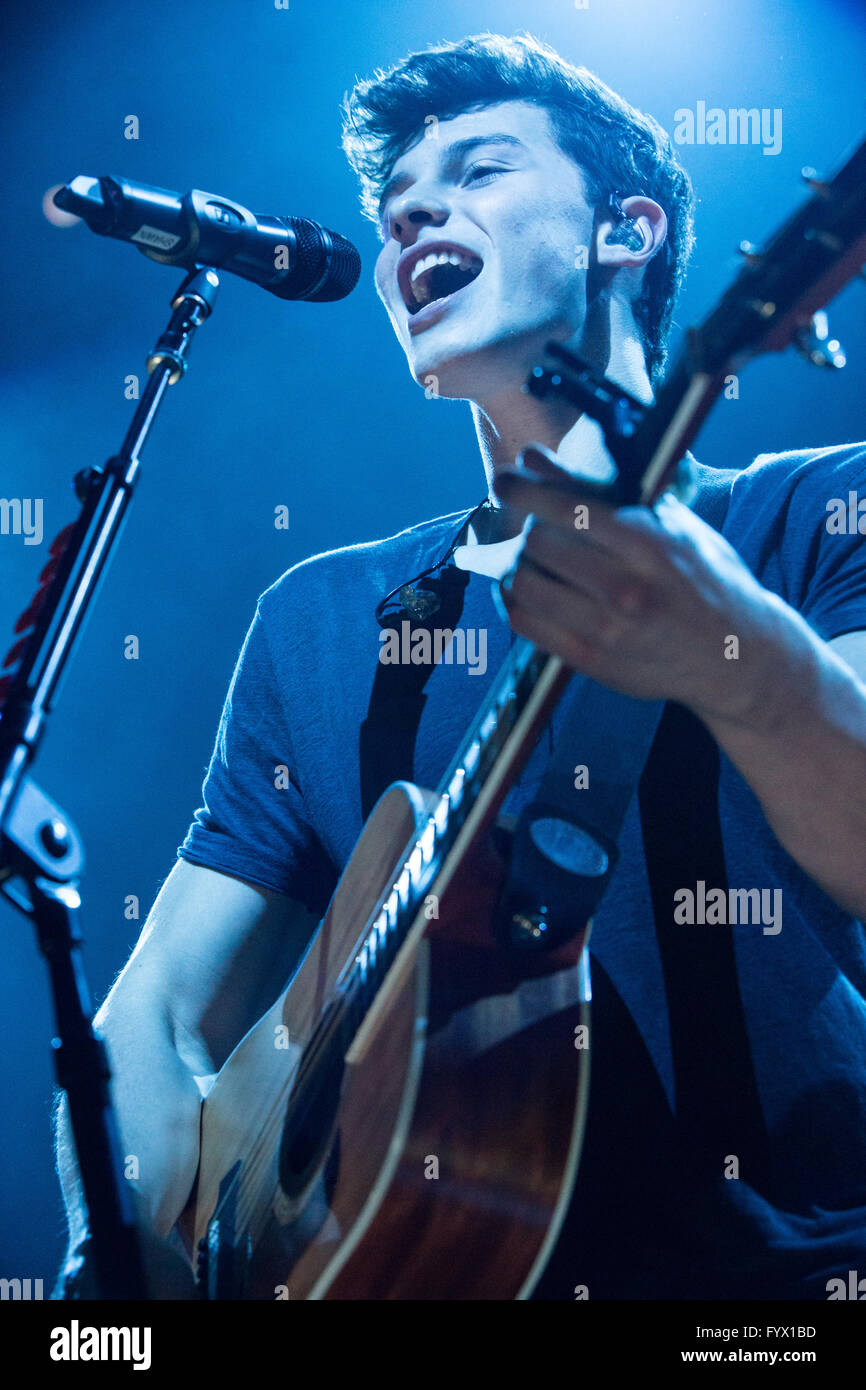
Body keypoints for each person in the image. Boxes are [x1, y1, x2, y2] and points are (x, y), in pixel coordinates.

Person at [56, 32, 866, 1300]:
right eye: (395, 208)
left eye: (479, 170)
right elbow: (153, 1019)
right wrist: (136, 1261)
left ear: (626, 230)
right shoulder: (321, 618)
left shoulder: (815, 517)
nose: (413, 213)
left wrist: (747, 663)